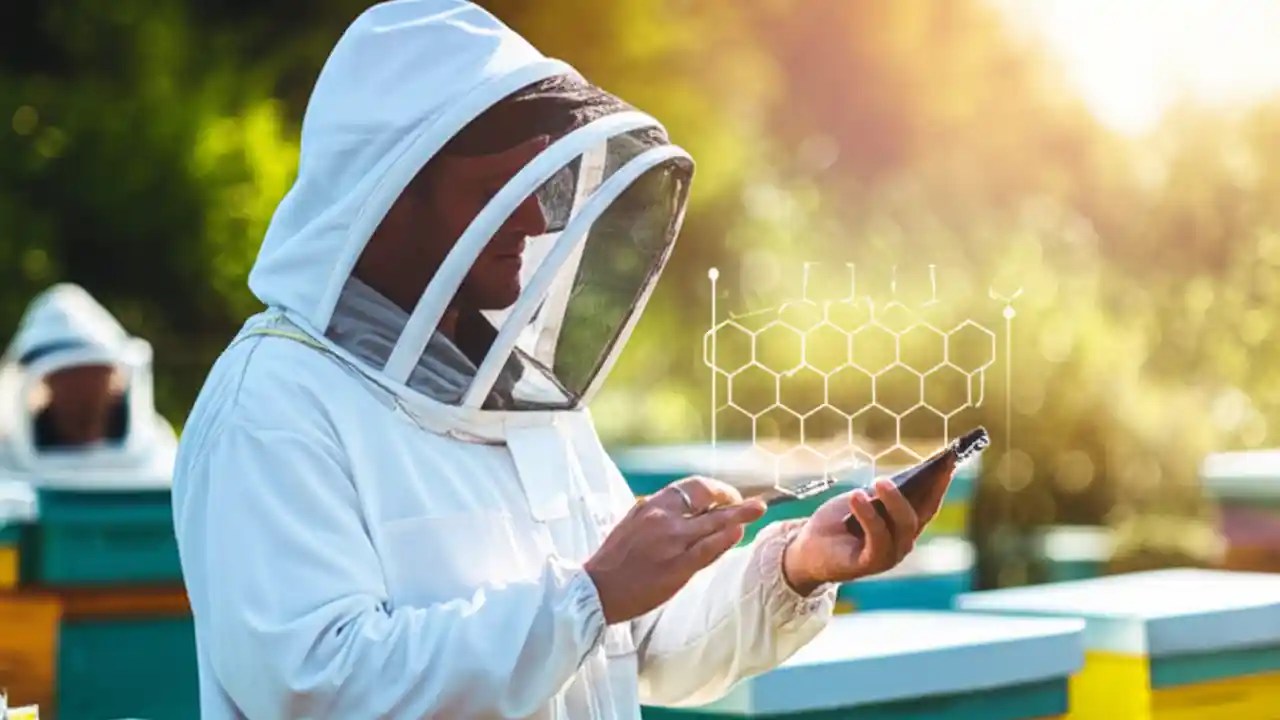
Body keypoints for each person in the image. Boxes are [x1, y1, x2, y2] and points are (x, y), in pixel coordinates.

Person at [171, 2, 953, 718]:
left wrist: (796, 569)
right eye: (494, 187)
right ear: (387, 201)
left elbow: (642, 645)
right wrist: (590, 594)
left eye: (539, 181)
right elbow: (313, 686)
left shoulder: (517, 397)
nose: (536, 216)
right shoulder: (272, 406)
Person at [0, 283, 176, 486]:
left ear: (113, 376)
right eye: (68, 376)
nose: (82, 388)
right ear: (47, 383)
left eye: (93, 374)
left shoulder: (155, 448)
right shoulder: (8, 461)